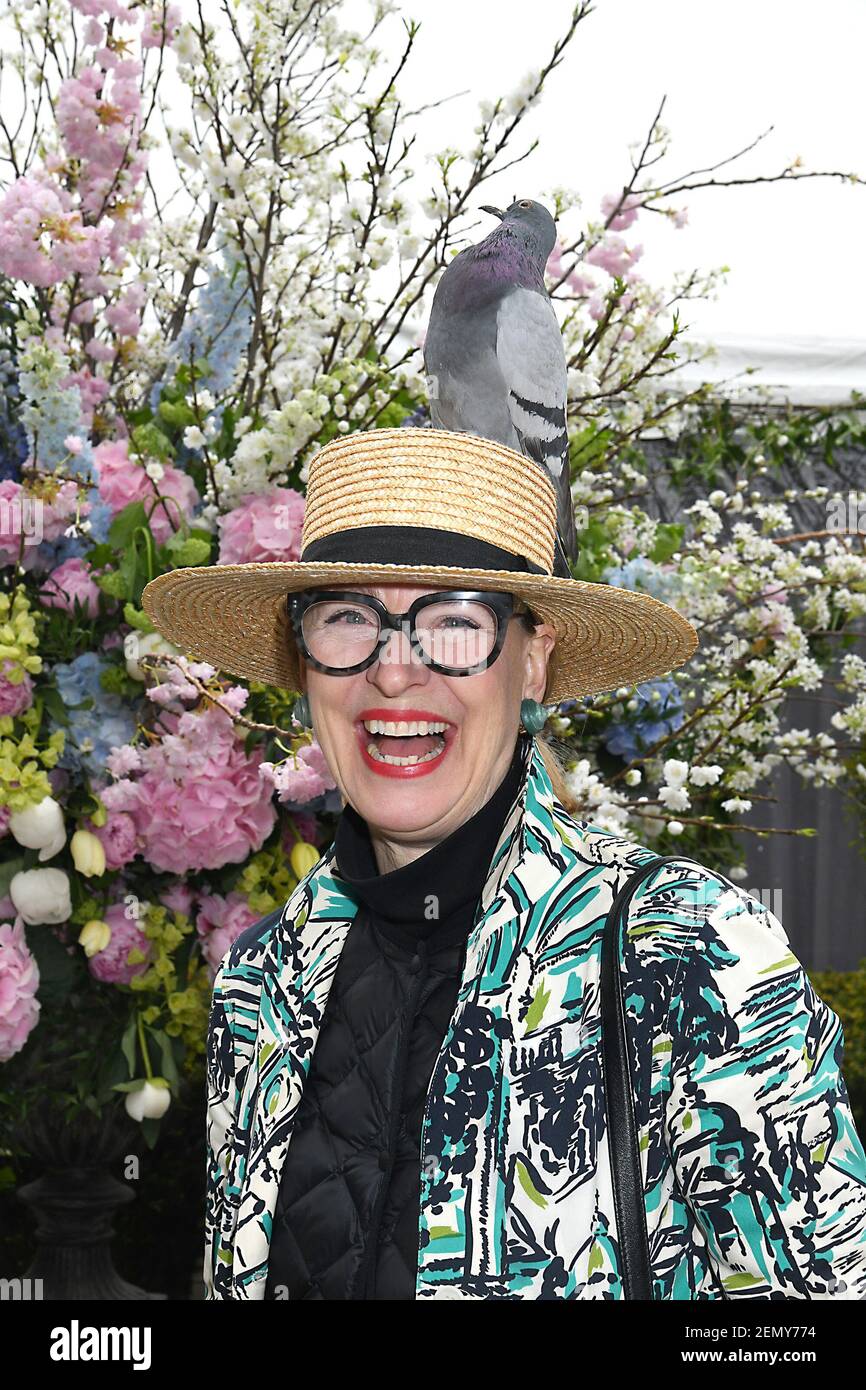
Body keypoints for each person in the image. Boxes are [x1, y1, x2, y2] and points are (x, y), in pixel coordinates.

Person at [142, 426, 866, 1301]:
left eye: (454, 623)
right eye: (346, 619)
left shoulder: (688, 955)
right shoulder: (261, 984)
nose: (394, 672)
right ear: (305, 662)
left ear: (534, 659)